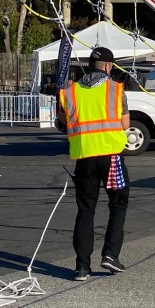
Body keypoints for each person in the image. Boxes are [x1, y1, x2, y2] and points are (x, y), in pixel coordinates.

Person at [57, 46, 130, 281]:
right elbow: (126, 124)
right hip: (111, 157)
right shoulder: (116, 90)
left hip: (84, 158)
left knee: (86, 210)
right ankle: (110, 254)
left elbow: (63, 121)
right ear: (109, 66)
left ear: (90, 65)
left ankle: (82, 267)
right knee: (118, 204)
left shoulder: (71, 92)